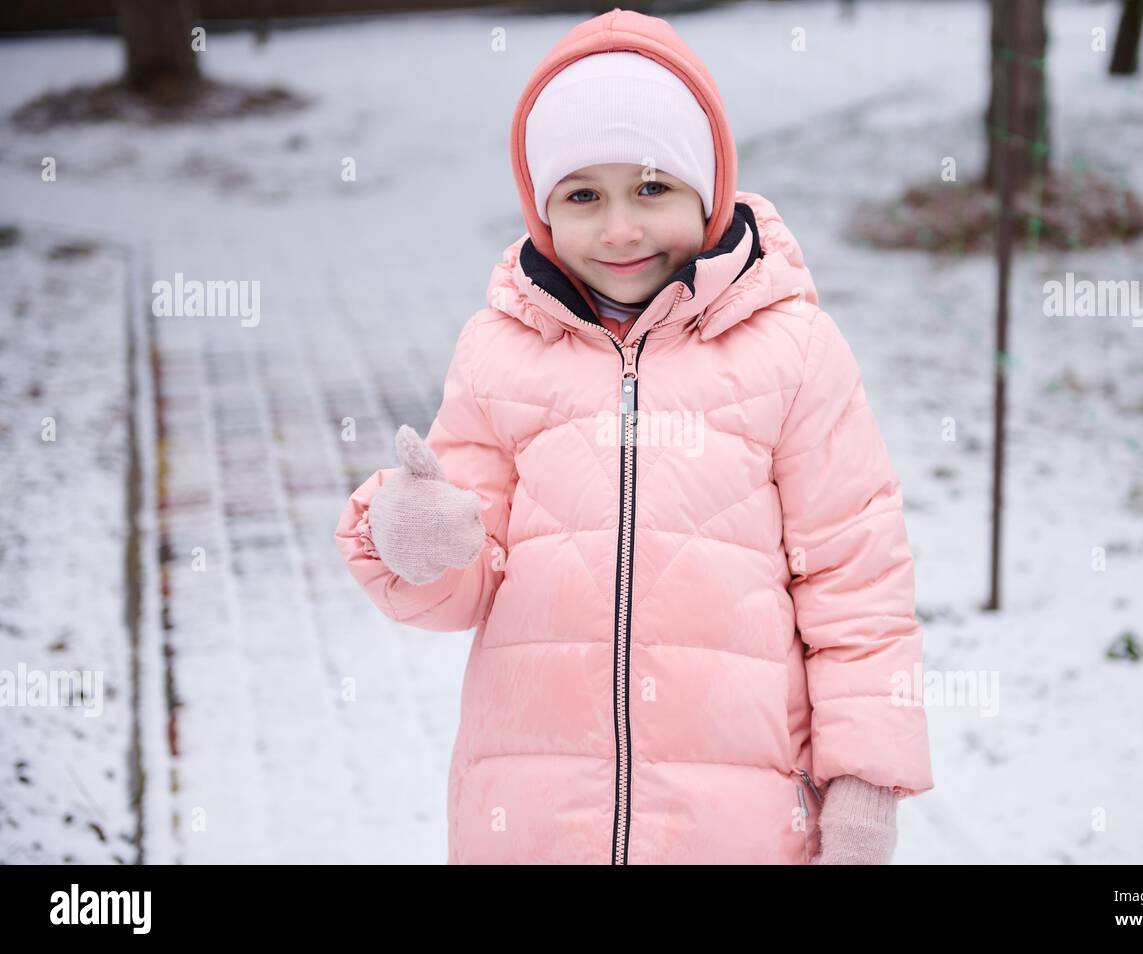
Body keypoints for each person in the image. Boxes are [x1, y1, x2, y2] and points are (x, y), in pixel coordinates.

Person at [334, 7, 934, 865]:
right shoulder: (499, 352)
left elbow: (859, 591)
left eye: (652, 187)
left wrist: (865, 795)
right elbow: (466, 580)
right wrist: (418, 539)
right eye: (584, 195)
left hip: (743, 826)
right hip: (534, 821)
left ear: (707, 190)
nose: (620, 228)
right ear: (544, 210)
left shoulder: (794, 353)